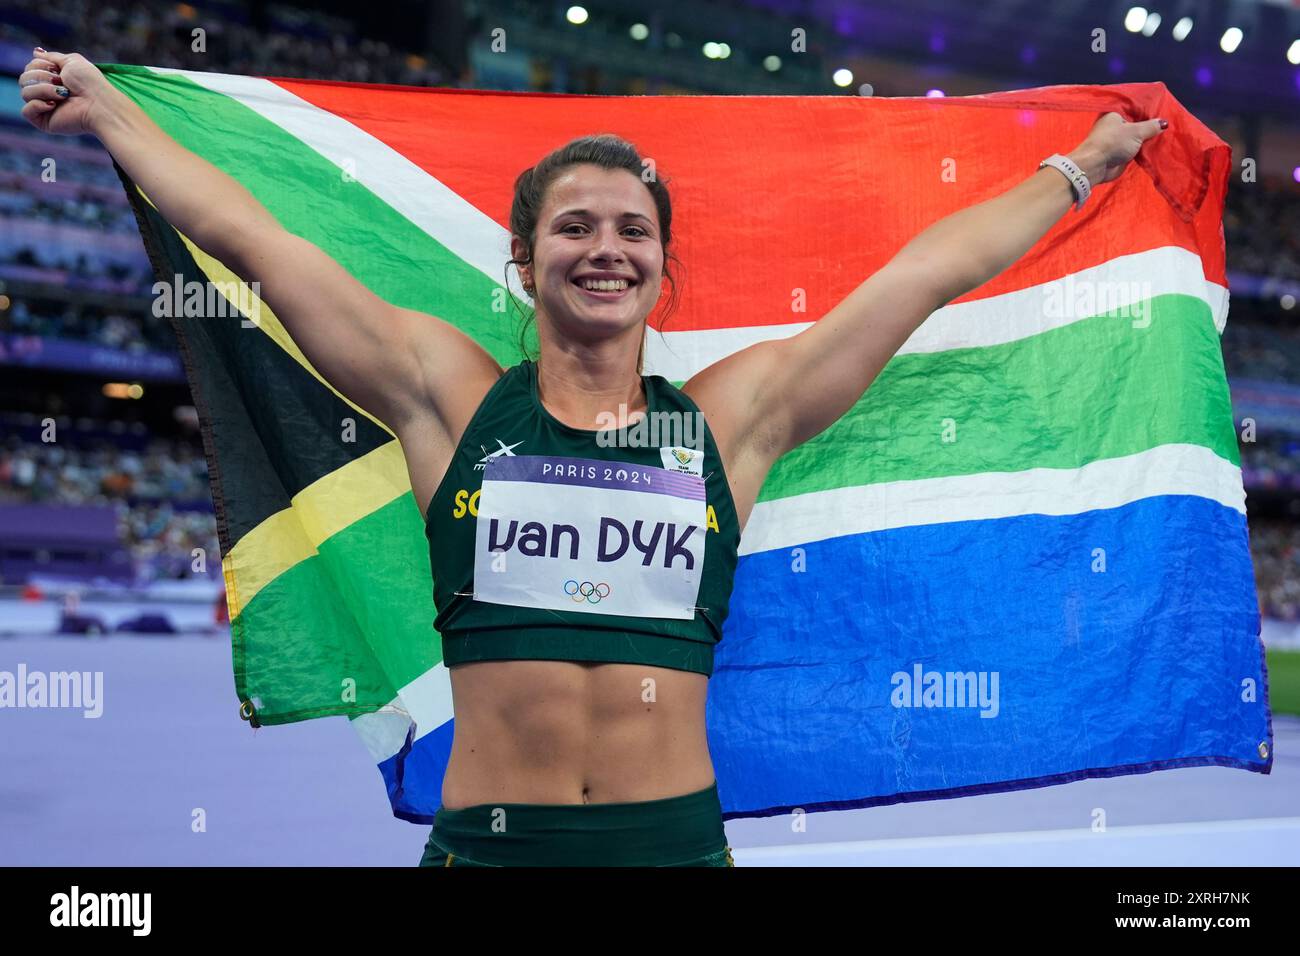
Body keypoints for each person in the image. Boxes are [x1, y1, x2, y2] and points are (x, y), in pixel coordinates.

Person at [19, 48, 1166, 867]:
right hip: (490, 850)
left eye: (632, 230)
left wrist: (1082, 166)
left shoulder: (731, 421)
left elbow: (921, 277)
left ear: (663, 267)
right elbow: (253, 242)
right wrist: (115, 113)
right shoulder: (445, 397)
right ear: (526, 260)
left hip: (668, 847)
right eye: (573, 226)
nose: (603, 248)